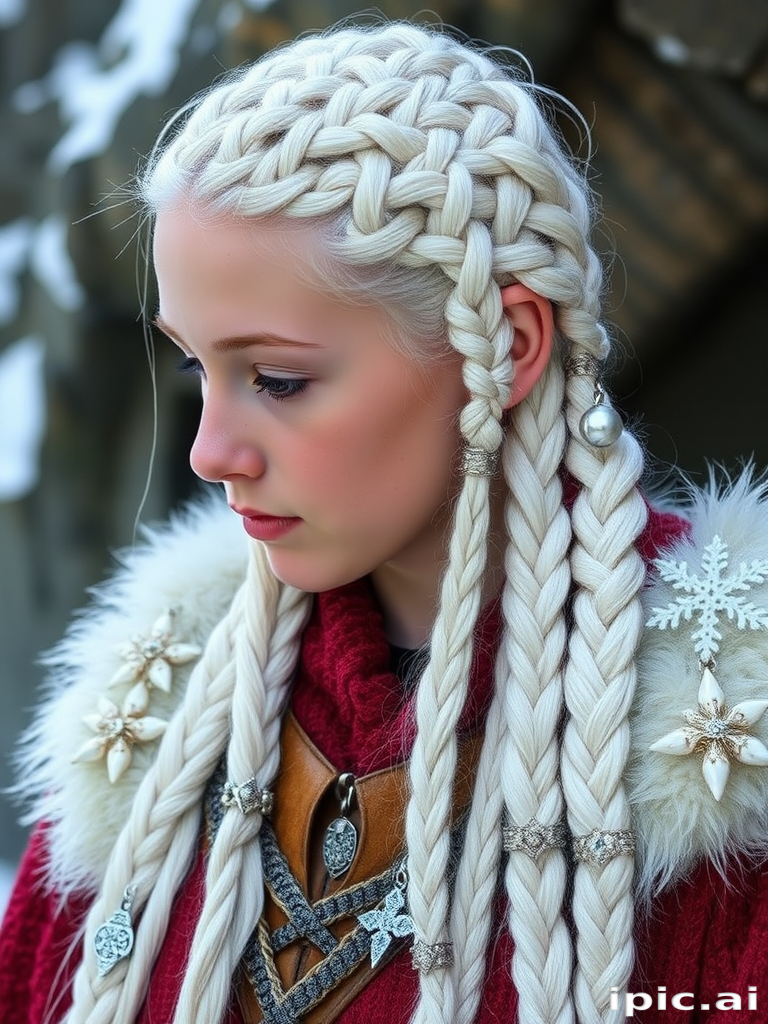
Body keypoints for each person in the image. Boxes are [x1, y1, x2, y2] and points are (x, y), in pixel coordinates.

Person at [2, 19, 768, 1024]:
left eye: (279, 379)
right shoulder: (163, 707)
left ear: (508, 342)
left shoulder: (723, 760)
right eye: (200, 369)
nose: (209, 451)